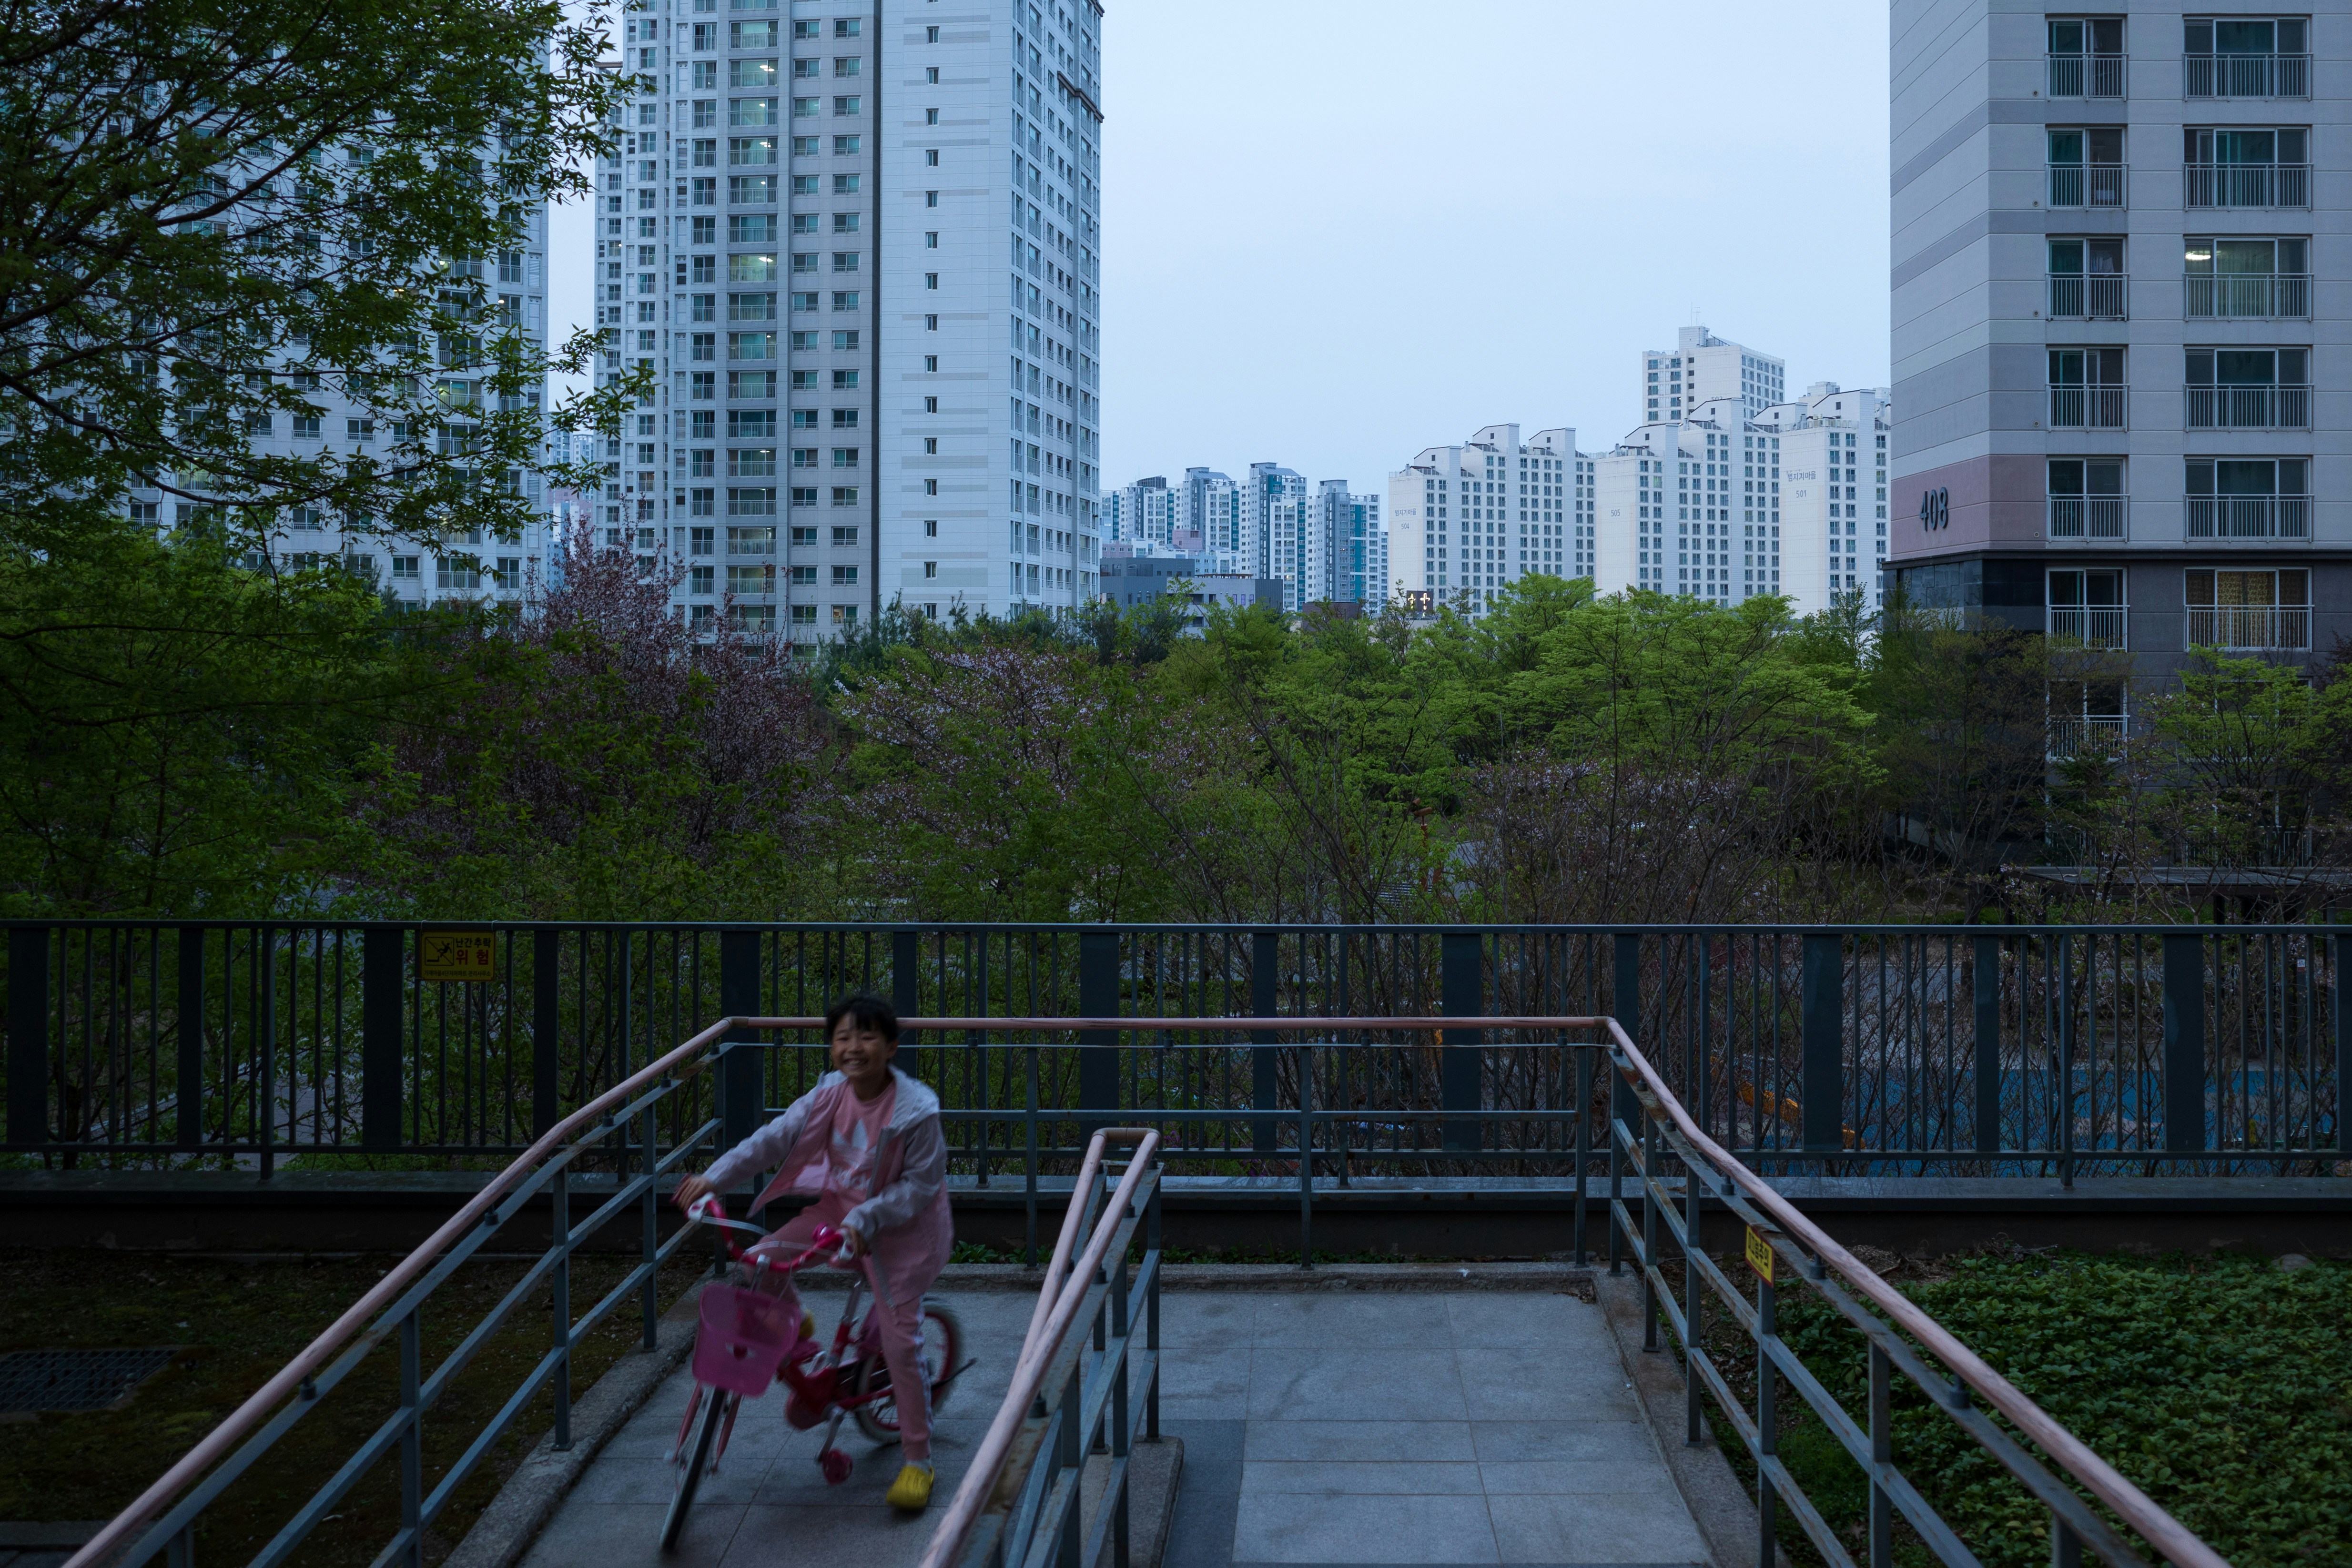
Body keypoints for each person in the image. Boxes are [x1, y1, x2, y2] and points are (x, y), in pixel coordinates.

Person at [675, 992, 953, 1512]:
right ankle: (797, 1319)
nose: (853, 1047)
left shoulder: (917, 1112)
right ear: (831, 1047)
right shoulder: (829, 1096)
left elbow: (920, 1187)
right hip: (837, 1215)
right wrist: (713, 1177)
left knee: (899, 1344)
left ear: (891, 1046)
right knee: (758, 1260)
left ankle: (918, 1460)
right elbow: (773, 1138)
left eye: (867, 1036)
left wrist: (865, 1218)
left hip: (899, 1231)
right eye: (843, 1037)